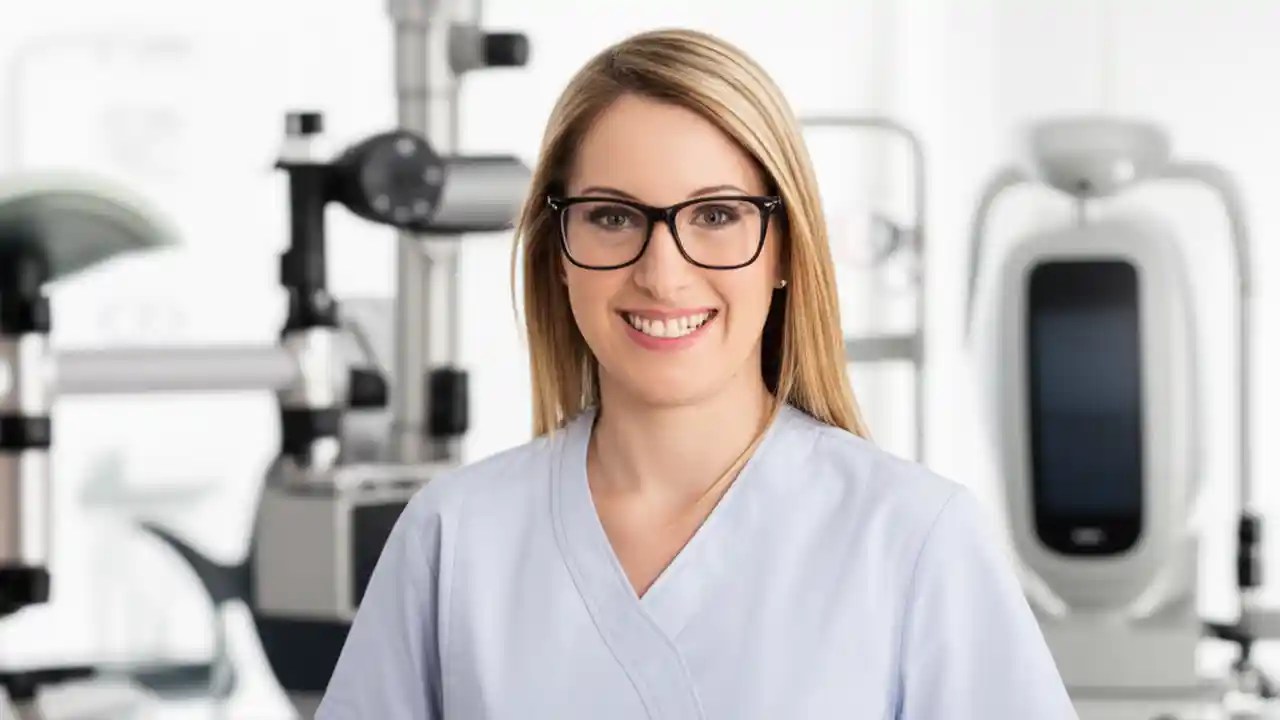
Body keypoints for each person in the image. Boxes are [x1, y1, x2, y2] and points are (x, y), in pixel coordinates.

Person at [315, 27, 1076, 720]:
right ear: (558, 252)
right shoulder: (455, 539)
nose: (663, 275)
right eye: (613, 216)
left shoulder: (914, 540)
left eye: (716, 215)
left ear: (784, 248)